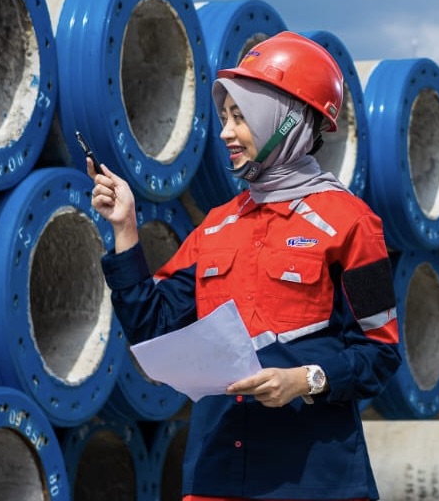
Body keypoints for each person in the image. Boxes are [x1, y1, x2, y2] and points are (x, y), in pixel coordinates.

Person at [90, 31, 401, 501]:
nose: (225, 133)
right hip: (216, 479)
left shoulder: (354, 224)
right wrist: (126, 229)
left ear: (286, 120)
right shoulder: (216, 227)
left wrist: (305, 380)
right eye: (224, 117)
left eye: (240, 117)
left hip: (314, 482)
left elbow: (380, 353)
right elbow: (152, 327)